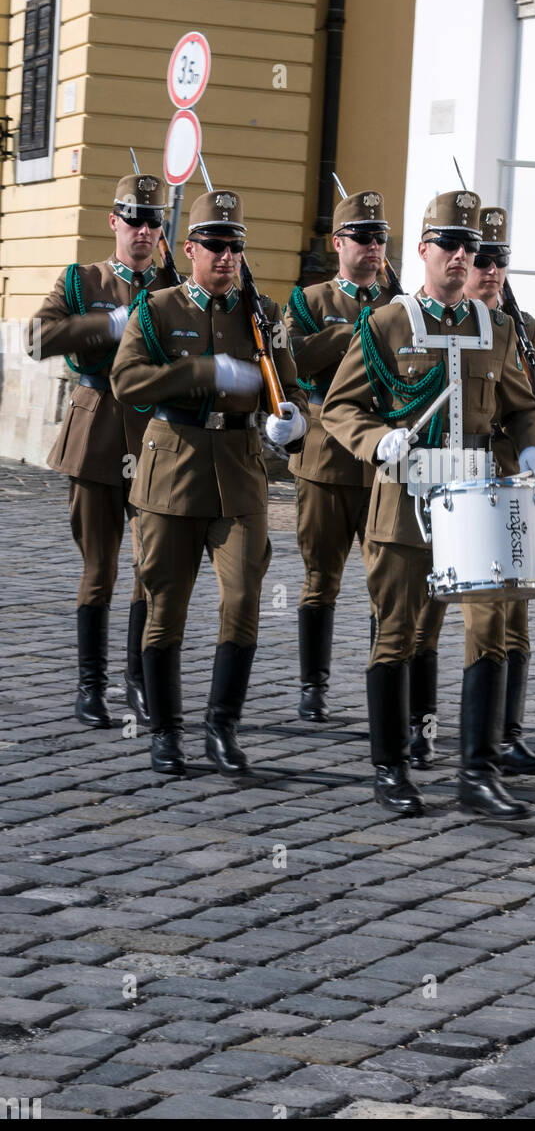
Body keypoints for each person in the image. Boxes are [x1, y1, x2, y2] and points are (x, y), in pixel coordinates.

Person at [321, 189, 535, 820]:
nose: (460, 257)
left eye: (469, 247)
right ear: (422, 250)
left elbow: (523, 406)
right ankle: (391, 767)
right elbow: (341, 408)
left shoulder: (498, 328)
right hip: (406, 494)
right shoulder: (386, 325)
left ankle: (479, 771)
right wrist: (377, 440)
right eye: (448, 245)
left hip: (477, 495)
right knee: (396, 635)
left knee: (490, 635)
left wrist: (532, 445)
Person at [111, 190, 308, 777]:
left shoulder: (263, 313)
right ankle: (166, 732)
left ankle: (222, 728)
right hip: (173, 468)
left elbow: (289, 386)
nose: (227, 256)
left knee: (243, 597)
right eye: (216, 245)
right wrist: (198, 372)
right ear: (190, 248)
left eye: (236, 246)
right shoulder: (158, 308)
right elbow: (126, 382)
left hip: (242, 472)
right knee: (165, 604)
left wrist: (291, 418)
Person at [408, 206, 535, 776]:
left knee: (508, 611)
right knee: (425, 610)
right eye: (483, 259)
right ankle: (417, 729)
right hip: (446, 472)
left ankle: (505, 736)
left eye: (500, 260)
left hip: (507, 481)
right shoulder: (422, 321)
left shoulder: (518, 328)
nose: (491, 269)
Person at [27, 173, 176, 729]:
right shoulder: (82, 280)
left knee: (152, 568)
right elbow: (37, 338)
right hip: (97, 434)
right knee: (100, 570)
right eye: (132, 219)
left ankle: (138, 682)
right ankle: (91, 686)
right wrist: (106, 323)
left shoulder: (175, 286)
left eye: (152, 221)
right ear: (113, 220)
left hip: (161, 441)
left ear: (163, 229)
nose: (142, 230)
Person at [285, 190, 399, 721]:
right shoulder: (309, 302)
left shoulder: (401, 302)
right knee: (320, 577)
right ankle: (314, 684)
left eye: (381, 238)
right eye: (363, 237)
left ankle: (385, 682)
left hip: (386, 458)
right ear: (338, 243)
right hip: (326, 457)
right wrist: (361, 329)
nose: (374, 247)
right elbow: (299, 360)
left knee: (388, 581)